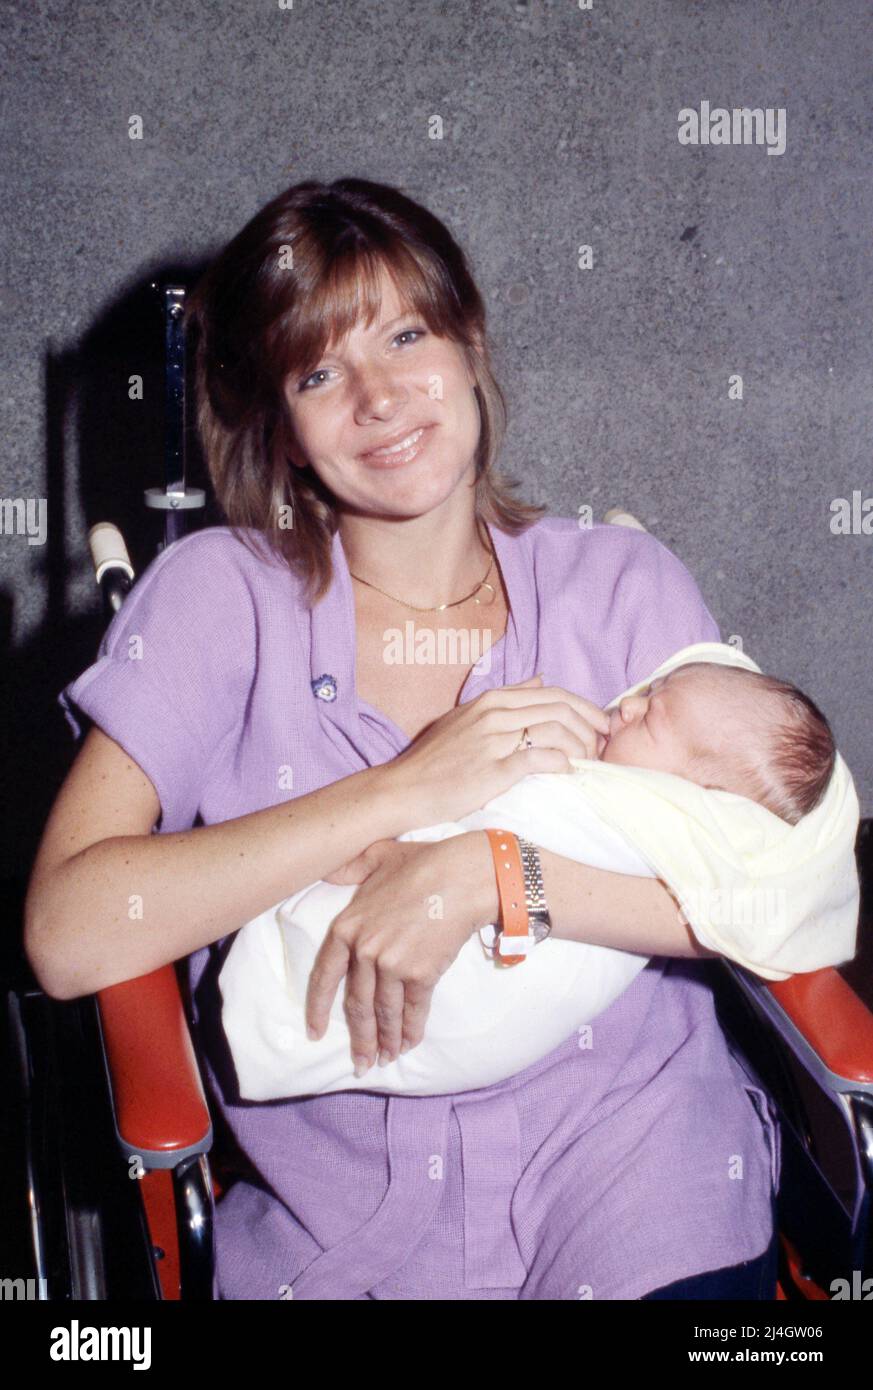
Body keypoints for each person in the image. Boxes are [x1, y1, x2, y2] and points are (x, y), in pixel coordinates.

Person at [25, 177, 785, 1300]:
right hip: (344, 1238)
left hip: (639, 1170)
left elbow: (770, 884)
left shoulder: (621, 586)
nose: (378, 397)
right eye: (320, 371)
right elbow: (68, 931)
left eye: (406, 333)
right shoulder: (215, 601)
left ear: (470, 344)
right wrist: (400, 789)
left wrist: (492, 878)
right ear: (278, 425)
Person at [219, 652, 849, 1103]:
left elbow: (789, 902)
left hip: (543, 1056)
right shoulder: (639, 755)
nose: (627, 703)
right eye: (648, 692)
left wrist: (497, 873)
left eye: (652, 716)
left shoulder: (655, 826)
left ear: (700, 801)